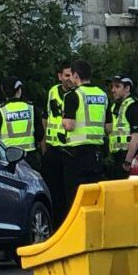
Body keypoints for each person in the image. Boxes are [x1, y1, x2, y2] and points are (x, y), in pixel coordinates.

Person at [58, 58, 107, 220]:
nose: (70, 79)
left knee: (75, 197)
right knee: (95, 196)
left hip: (76, 154)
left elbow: (69, 125)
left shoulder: (72, 96)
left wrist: (62, 120)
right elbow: (109, 128)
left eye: (71, 75)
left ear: (76, 75)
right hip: (96, 153)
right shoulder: (102, 95)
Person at [39, 60, 73, 214]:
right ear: (60, 76)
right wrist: (44, 147)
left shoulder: (77, 94)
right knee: (53, 191)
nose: (69, 78)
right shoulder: (53, 91)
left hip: (70, 150)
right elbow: (46, 119)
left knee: (68, 193)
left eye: (72, 75)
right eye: (66, 75)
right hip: (53, 150)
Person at [106, 76, 138, 178]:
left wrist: (127, 163)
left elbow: (136, 138)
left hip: (130, 157)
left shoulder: (133, 106)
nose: (113, 90)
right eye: (112, 87)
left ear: (127, 88)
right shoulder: (117, 106)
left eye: (117, 86)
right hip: (117, 157)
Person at [0, 79, 38, 168]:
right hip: (29, 156)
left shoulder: (0, 110)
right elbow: (40, 134)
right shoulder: (31, 108)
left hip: (7, 157)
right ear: (19, 91)